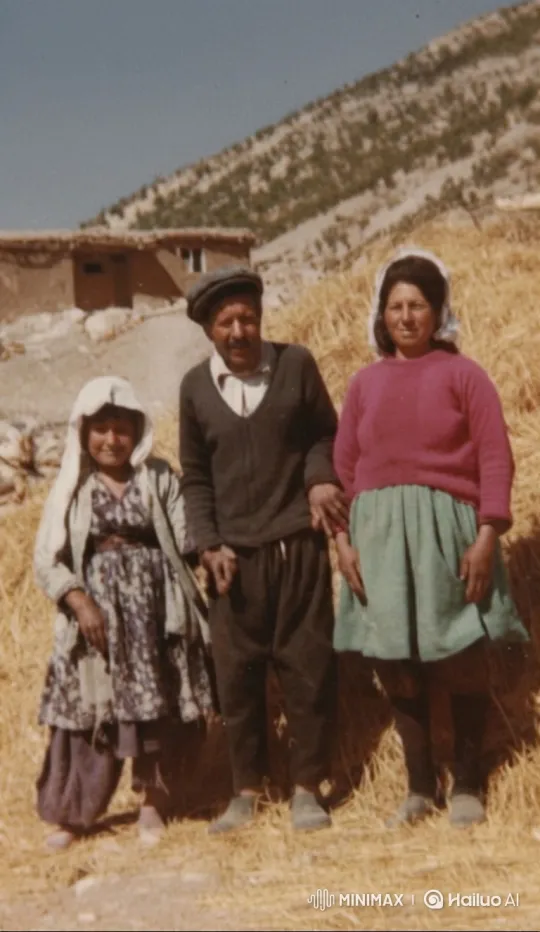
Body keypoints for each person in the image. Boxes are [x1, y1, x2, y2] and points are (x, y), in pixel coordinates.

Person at [332, 247, 528, 829]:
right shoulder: (363, 383)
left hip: (449, 534)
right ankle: (419, 787)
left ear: (438, 311)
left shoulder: (465, 375)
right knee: (397, 662)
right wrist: (343, 542)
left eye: (418, 304)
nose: (407, 316)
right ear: (381, 314)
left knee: (461, 657)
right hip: (380, 539)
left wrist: (487, 533)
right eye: (396, 306)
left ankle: (467, 783)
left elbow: (495, 458)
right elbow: (344, 468)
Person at [179, 265, 348, 834]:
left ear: (260, 317)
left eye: (247, 317)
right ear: (209, 331)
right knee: (238, 678)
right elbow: (196, 478)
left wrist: (320, 478)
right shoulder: (195, 389)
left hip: (296, 545)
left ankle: (306, 788)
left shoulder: (296, 364)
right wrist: (209, 543)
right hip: (233, 561)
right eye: (225, 322)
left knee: (308, 668)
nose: (238, 330)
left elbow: (326, 432)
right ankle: (246, 789)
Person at [34, 376, 215, 850]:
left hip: (154, 615)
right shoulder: (72, 488)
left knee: (156, 709)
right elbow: (46, 560)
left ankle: (154, 803)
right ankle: (75, 815)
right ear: (84, 433)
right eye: (101, 430)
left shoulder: (157, 477)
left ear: (137, 432)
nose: (111, 440)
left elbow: (185, 534)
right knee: (89, 714)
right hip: (94, 622)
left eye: (121, 429)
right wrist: (79, 601)